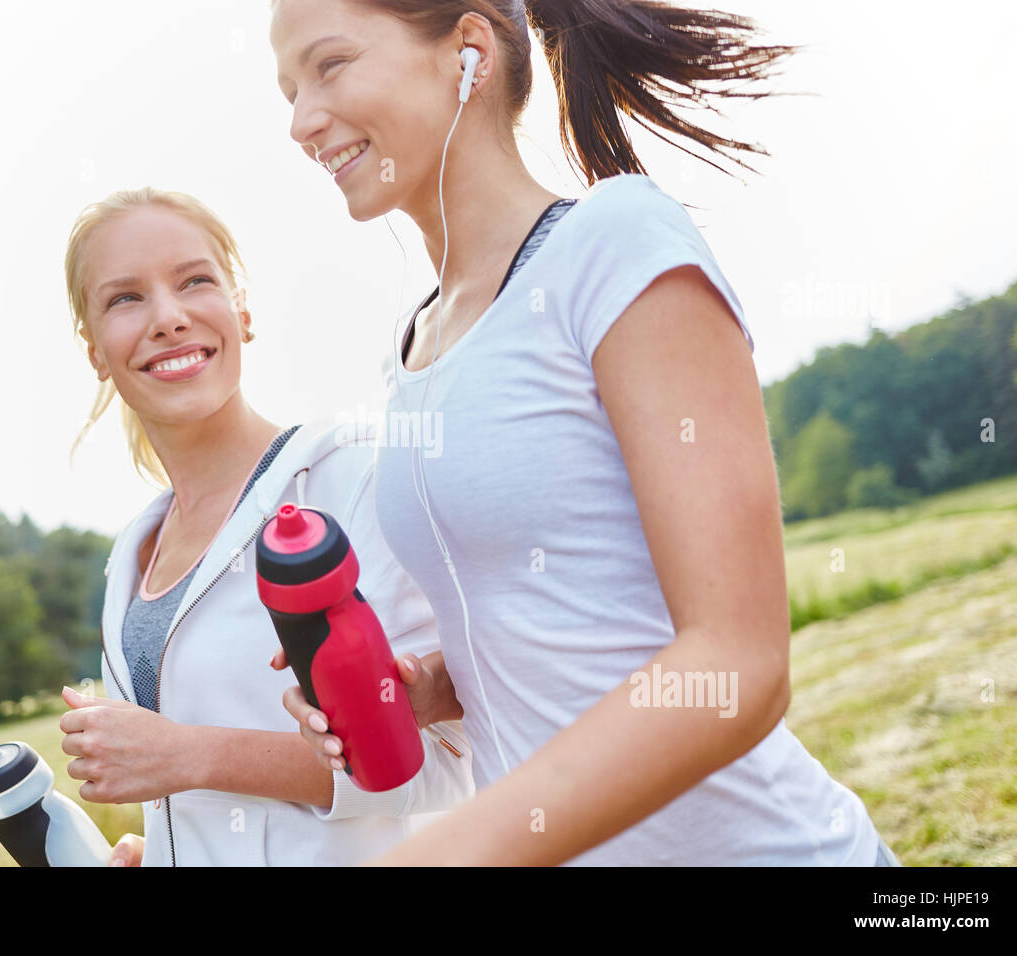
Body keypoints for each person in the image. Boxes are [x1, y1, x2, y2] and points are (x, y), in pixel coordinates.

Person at [269, 0, 900, 865]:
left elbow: (737, 666)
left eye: (329, 66)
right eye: (288, 89)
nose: (302, 120)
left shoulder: (611, 241)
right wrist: (437, 686)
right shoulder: (410, 349)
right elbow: (572, 615)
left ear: (467, 50)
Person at [59, 186, 473, 866]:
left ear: (241, 308)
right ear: (95, 350)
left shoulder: (356, 479)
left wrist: (192, 756)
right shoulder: (133, 552)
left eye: (194, 281)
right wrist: (168, 845)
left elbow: (451, 761)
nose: (168, 318)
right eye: (125, 298)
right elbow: (203, 800)